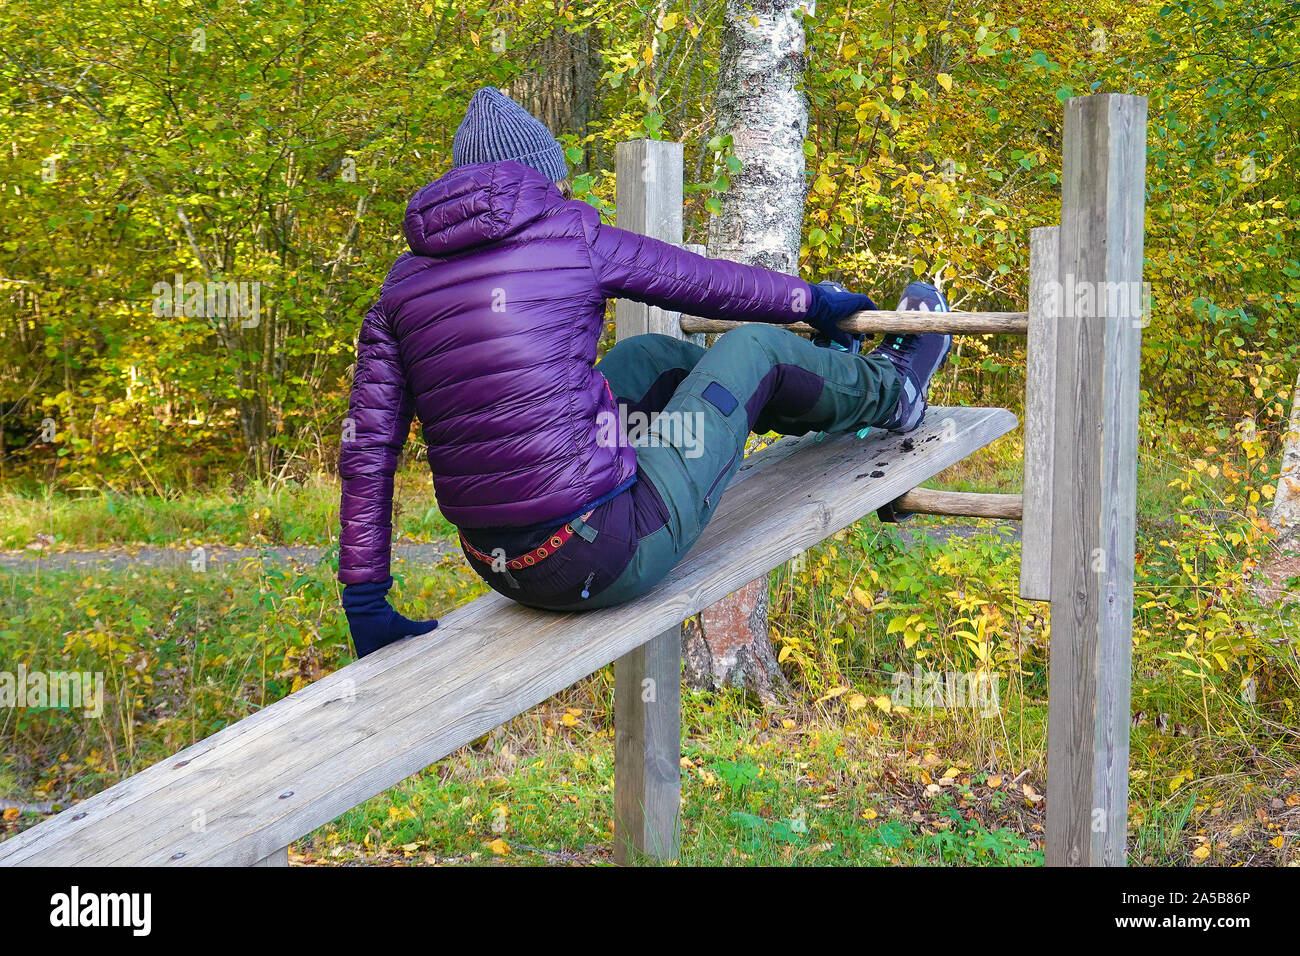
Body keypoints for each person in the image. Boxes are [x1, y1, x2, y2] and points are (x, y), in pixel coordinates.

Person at [338, 87, 952, 657]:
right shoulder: (568, 235)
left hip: (502, 567)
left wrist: (365, 601)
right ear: (540, 176)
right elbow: (703, 283)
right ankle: (894, 391)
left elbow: (368, 448)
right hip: (605, 550)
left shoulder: (400, 288)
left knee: (644, 359)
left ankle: (818, 384)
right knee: (755, 350)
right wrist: (812, 302)